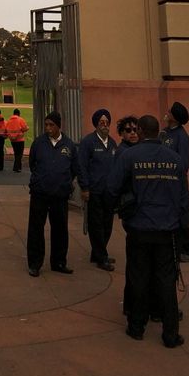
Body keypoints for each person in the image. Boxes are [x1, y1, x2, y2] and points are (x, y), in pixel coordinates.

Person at [108, 114, 188, 348]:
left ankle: (136, 327)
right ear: (158, 132)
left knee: (138, 277)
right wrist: (182, 228)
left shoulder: (129, 156)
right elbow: (184, 199)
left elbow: (111, 187)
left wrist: (123, 205)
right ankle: (170, 334)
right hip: (167, 229)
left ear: (141, 131)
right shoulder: (174, 159)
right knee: (166, 281)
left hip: (139, 227)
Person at [26, 111, 79, 277]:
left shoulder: (68, 145)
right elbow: (33, 163)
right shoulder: (38, 143)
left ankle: (59, 262)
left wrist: (64, 182)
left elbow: (74, 168)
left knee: (60, 229)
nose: (48, 128)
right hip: (40, 193)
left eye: (51, 125)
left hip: (59, 194)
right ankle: (35, 263)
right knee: (36, 229)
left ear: (59, 126)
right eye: (46, 124)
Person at [79, 108, 118, 271]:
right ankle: (101, 257)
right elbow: (82, 166)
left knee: (107, 224)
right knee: (96, 225)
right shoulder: (88, 142)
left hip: (109, 192)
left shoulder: (113, 143)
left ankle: (98, 253)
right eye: (101, 122)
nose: (104, 124)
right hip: (94, 191)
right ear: (96, 124)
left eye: (107, 122)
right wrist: (85, 187)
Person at [113, 114, 140, 315]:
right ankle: (134, 306)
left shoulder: (137, 151)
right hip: (132, 209)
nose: (132, 133)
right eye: (128, 130)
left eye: (135, 129)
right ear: (122, 133)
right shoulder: (123, 153)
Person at [160, 101, 189, 262]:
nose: (167, 113)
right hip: (163, 182)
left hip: (177, 182)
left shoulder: (182, 136)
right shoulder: (164, 132)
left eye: (170, 111)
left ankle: (186, 249)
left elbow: (184, 163)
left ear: (175, 117)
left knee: (181, 215)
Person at [7, 108, 29, 172]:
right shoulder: (20, 120)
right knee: (19, 154)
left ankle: (19, 167)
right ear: (19, 114)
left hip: (12, 140)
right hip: (20, 139)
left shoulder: (9, 121)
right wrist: (26, 128)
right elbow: (25, 128)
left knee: (16, 153)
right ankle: (16, 167)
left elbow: (7, 129)